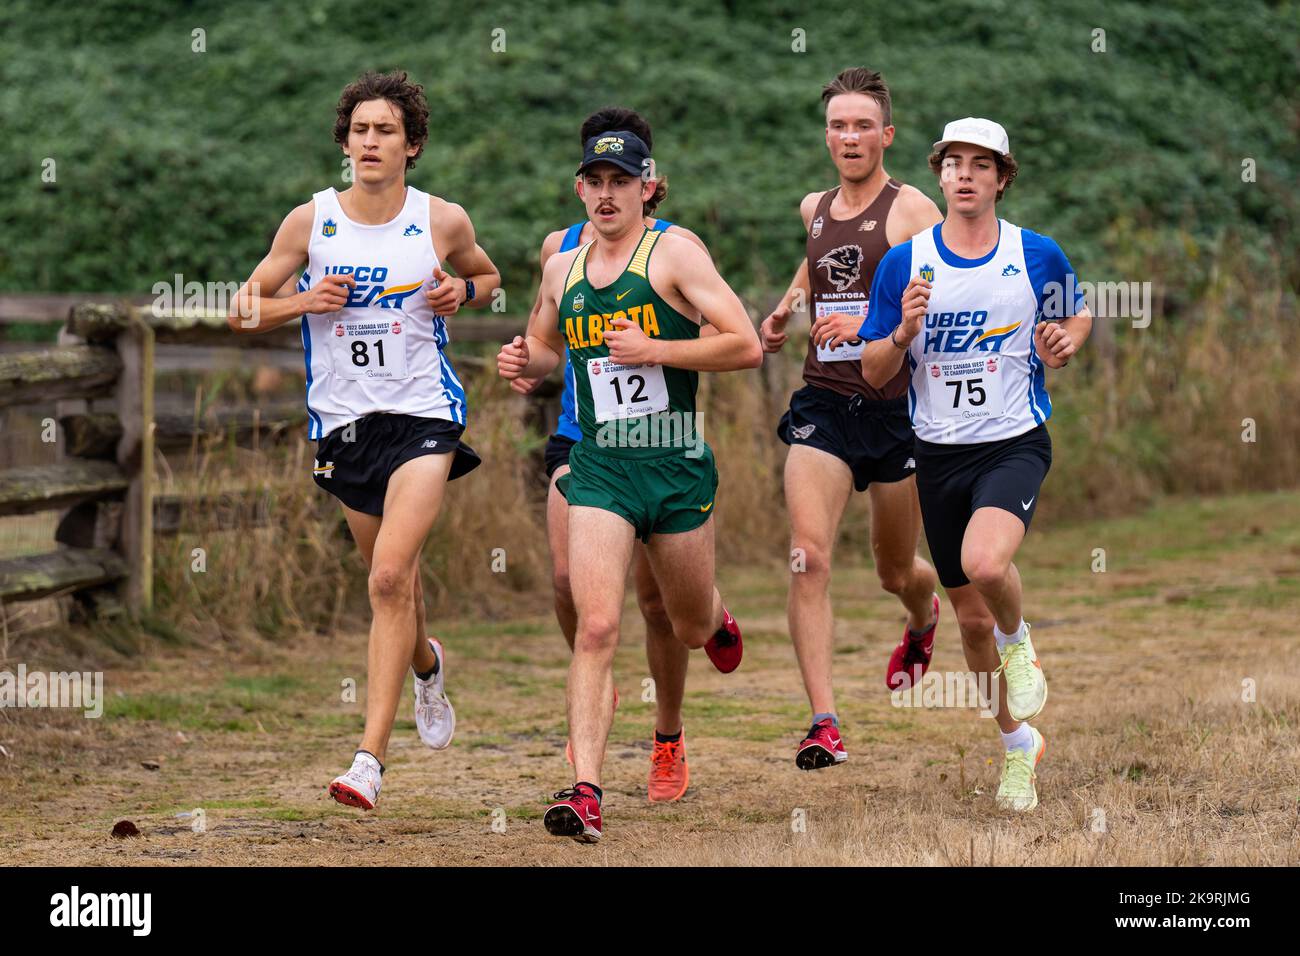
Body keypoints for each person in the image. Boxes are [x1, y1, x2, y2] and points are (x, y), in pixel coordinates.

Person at [228, 70, 501, 810]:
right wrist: (302, 302)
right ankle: (426, 662)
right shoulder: (309, 222)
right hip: (345, 425)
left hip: (423, 416)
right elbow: (242, 311)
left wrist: (462, 293)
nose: (371, 142)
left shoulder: (441, 220)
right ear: (344, 143)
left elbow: (489, 277)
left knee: (386, 579)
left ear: (411, 145)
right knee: (394, 581)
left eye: (386, 131)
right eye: (360, 130)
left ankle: (368, 760)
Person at [497, 127, 761, 842]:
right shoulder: (562, 267)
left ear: (648, 186)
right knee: (599, 625)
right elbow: (548, 345)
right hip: (602, 466)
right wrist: (525, 360)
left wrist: (658, 349)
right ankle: (585, 791)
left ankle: (714, 615)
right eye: (595, 180)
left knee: (684, 622)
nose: (607, 193)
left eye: (622, 180)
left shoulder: (674, 254)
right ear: (580, 188)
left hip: (674, 461)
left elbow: (746, 343)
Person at [860, 117, 1093, 811]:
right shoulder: (903, 263)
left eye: (980, 165)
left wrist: (1064, 338)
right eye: (953, 163)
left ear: (1001, 178)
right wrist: (902, 329)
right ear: (938, 174)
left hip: (1013, 441)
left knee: (988, 565)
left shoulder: (1035, 253)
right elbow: (875, 371)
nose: (965, 175)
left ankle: (1019, 642)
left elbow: (1075, 314)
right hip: (936, 452)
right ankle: (1017, 744)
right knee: (965, 622)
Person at [759, 68, 943, 771]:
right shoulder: (814, 205)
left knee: (896, 571)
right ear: (827, 136)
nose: (850, 136)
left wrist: (868, 322)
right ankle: (824, 722)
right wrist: (784, 309)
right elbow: (819, 270)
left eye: (863, 124)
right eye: (839, 125)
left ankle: (922, 621)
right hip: (824, 405)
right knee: (809, 555)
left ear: (886, 135)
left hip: (896, 410)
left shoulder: (913, 212)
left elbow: (943, 304)